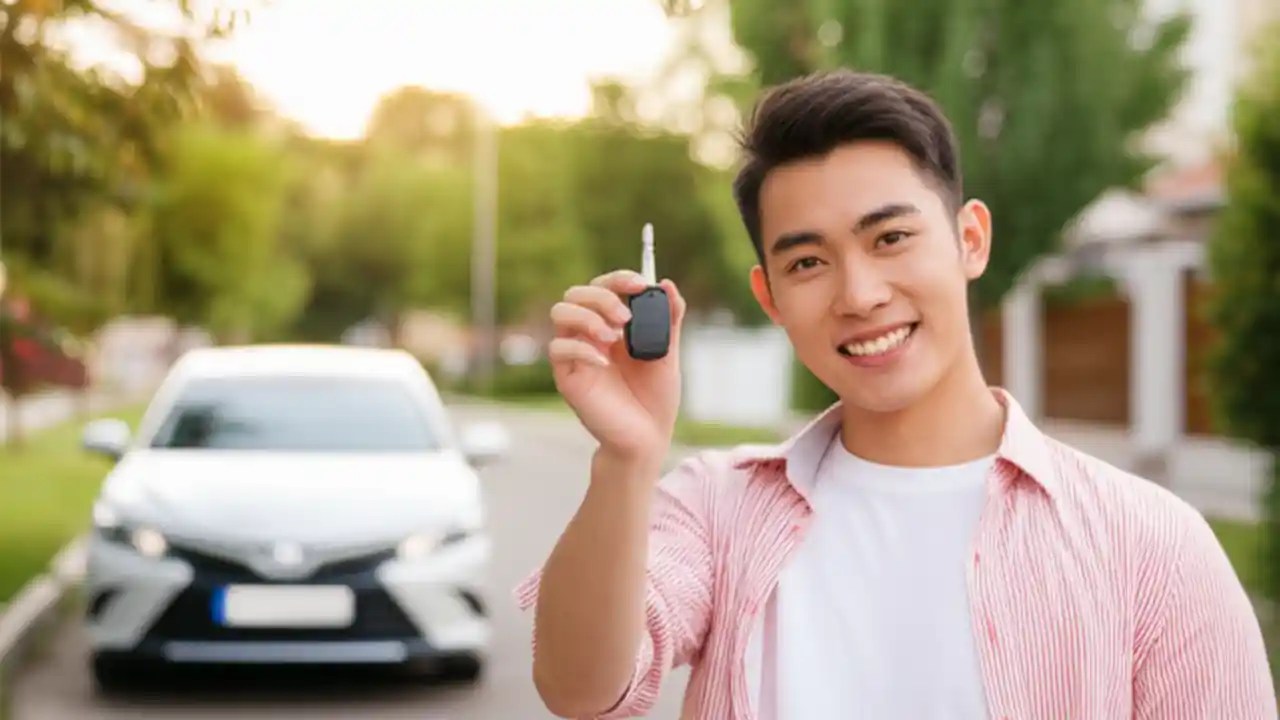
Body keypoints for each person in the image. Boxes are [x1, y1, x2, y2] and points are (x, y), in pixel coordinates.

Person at [516, 70, 1277, 719]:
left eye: (890, 239)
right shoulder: (717, 511)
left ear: (970, 240)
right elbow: (583, 691)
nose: (861, 294)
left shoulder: (1151, 546)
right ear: (771, 296)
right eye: (809, 262)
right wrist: (627, 455)